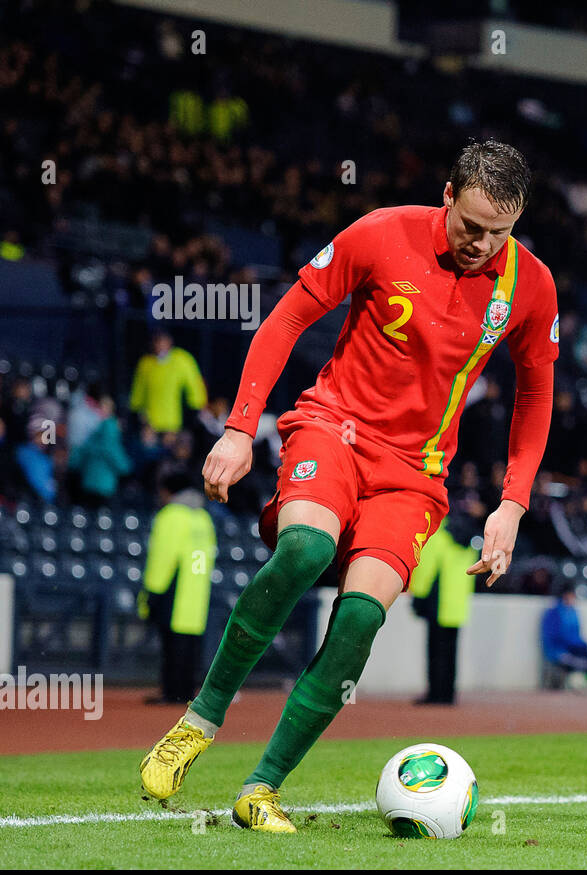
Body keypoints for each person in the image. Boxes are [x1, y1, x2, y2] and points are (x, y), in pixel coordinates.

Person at [139, 140, 558, 832]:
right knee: (304, 549)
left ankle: (262, 788)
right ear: (447, 197)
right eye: (472, 226)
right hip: (335, 429)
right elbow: (288, 317)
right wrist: (241, 428)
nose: (483, 244)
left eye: (500, 232)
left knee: (361, 618)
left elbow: (535, 396)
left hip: (416, 474)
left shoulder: (529, 285)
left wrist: (512, 504)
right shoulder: (381, 234)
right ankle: (199, 720)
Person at [139, 471, 217, 703]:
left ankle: (171, 692)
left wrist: (152, 591)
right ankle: (185, 691)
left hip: (173, 586)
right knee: (189, 645)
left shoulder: (171, 515)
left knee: (171, 644)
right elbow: (205, 556)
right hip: (196, 587)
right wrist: (196, 578)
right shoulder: (202, 517)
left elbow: (163, 557)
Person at [409, 514, 479, 705]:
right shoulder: (467, 536)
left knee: (435, 648)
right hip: (456, 601)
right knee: (450, 649)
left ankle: (435, 693)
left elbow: (426, 567)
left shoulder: (438, 532)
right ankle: (447, 693)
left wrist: (417, 593)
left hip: (436, 598)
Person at [129, 328, 207, 434]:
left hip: (173, 423)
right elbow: (138, 392)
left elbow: (195, 386)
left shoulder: (181, 360)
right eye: (157, 342)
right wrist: (138, 413)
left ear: (170, 342)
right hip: (150, 423)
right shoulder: (145, 364)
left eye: (163, 341)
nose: (160, 346)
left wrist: (197, 406)